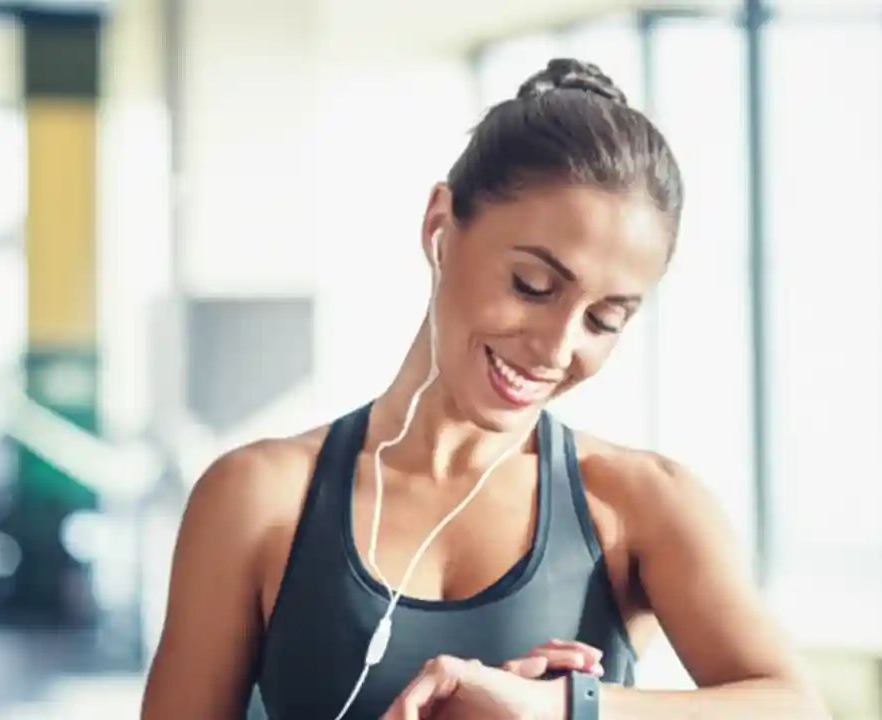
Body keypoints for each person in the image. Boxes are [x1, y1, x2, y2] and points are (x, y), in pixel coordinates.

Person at [141, 58, 829, 720]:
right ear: (440, 228)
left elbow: (795, 708)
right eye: (533, 285)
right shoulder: (258, 498)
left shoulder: (638, 505)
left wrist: (562, 708)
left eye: (604, 319)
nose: (556, 348)